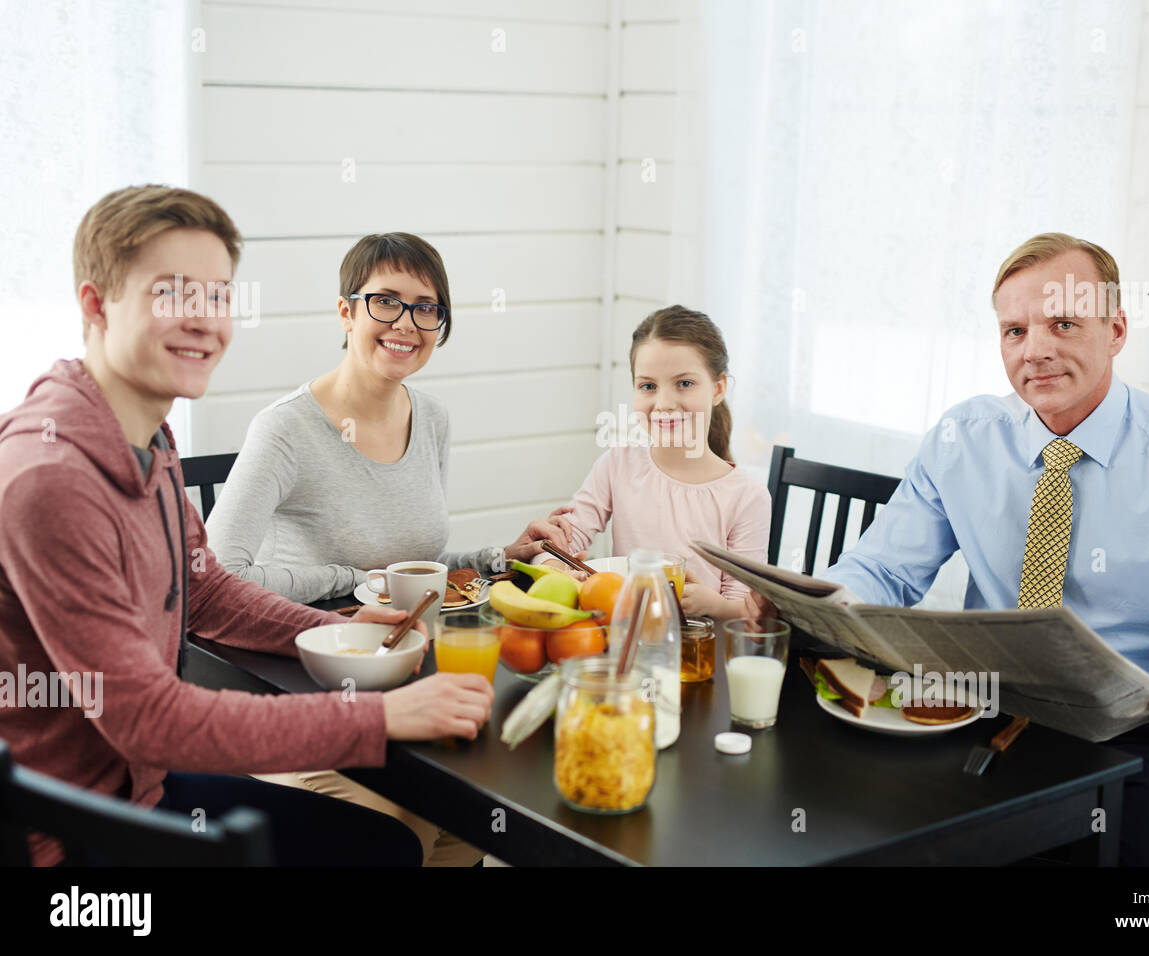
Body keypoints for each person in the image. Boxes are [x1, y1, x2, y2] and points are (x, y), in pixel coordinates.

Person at [750, 232, 1149, 866]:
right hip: (984, 713)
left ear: (1116, 330)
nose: (1035, 351)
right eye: (1014, 331)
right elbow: (883, 571)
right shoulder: (964, 438)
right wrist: (814, 606)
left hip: (1138, 740)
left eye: (1063, 323)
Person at [0, 186, 495, 866]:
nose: (204, 320)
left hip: (139, 790)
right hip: (76, 841)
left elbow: (206, 592)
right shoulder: (48, 476)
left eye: (217, 296)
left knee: (394, 841)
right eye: (173, 294)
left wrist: (345, 633)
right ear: (95, 304)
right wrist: (377, 716)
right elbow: (147, 717)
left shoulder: (148, 435)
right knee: (382, 852)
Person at [206, 231, 568, 605]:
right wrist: (349, 579)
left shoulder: (431, 417)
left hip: (401, 636)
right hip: (302, 645)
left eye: (426, 307)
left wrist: (503, 557)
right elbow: (217, 575)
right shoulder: (285, 428)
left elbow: (413, 567)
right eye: (385, 301)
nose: (406, 323)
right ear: (347, 313)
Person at [537, 305, 770, 620]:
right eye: (648, 386)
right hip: (625, 642)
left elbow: (744, 611)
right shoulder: (617, 464)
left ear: (718, 389)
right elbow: (565, 539)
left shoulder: (747, 496)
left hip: (698, 654)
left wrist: (713, 606)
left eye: (684, 383)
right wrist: (553, 565)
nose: (664, 404)